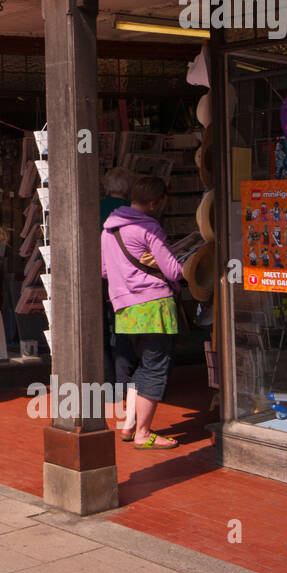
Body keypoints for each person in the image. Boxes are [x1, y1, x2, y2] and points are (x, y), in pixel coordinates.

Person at [101, 176, 184, 450]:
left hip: (125, 307)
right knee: (156, 367)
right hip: (154, 305)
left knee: (142, 366)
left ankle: (129, 424)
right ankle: (143, 432)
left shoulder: (109, 229)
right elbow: (172, 271)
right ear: (154, 203)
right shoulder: (148, 228)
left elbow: (104, 270)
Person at [100, 166, 138, 434]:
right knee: (123, 332)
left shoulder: (97, 208)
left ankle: (107, 386)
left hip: (100, 280)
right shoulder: (135, 211)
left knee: (101, 333)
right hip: (128, 283)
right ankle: (126, 384)